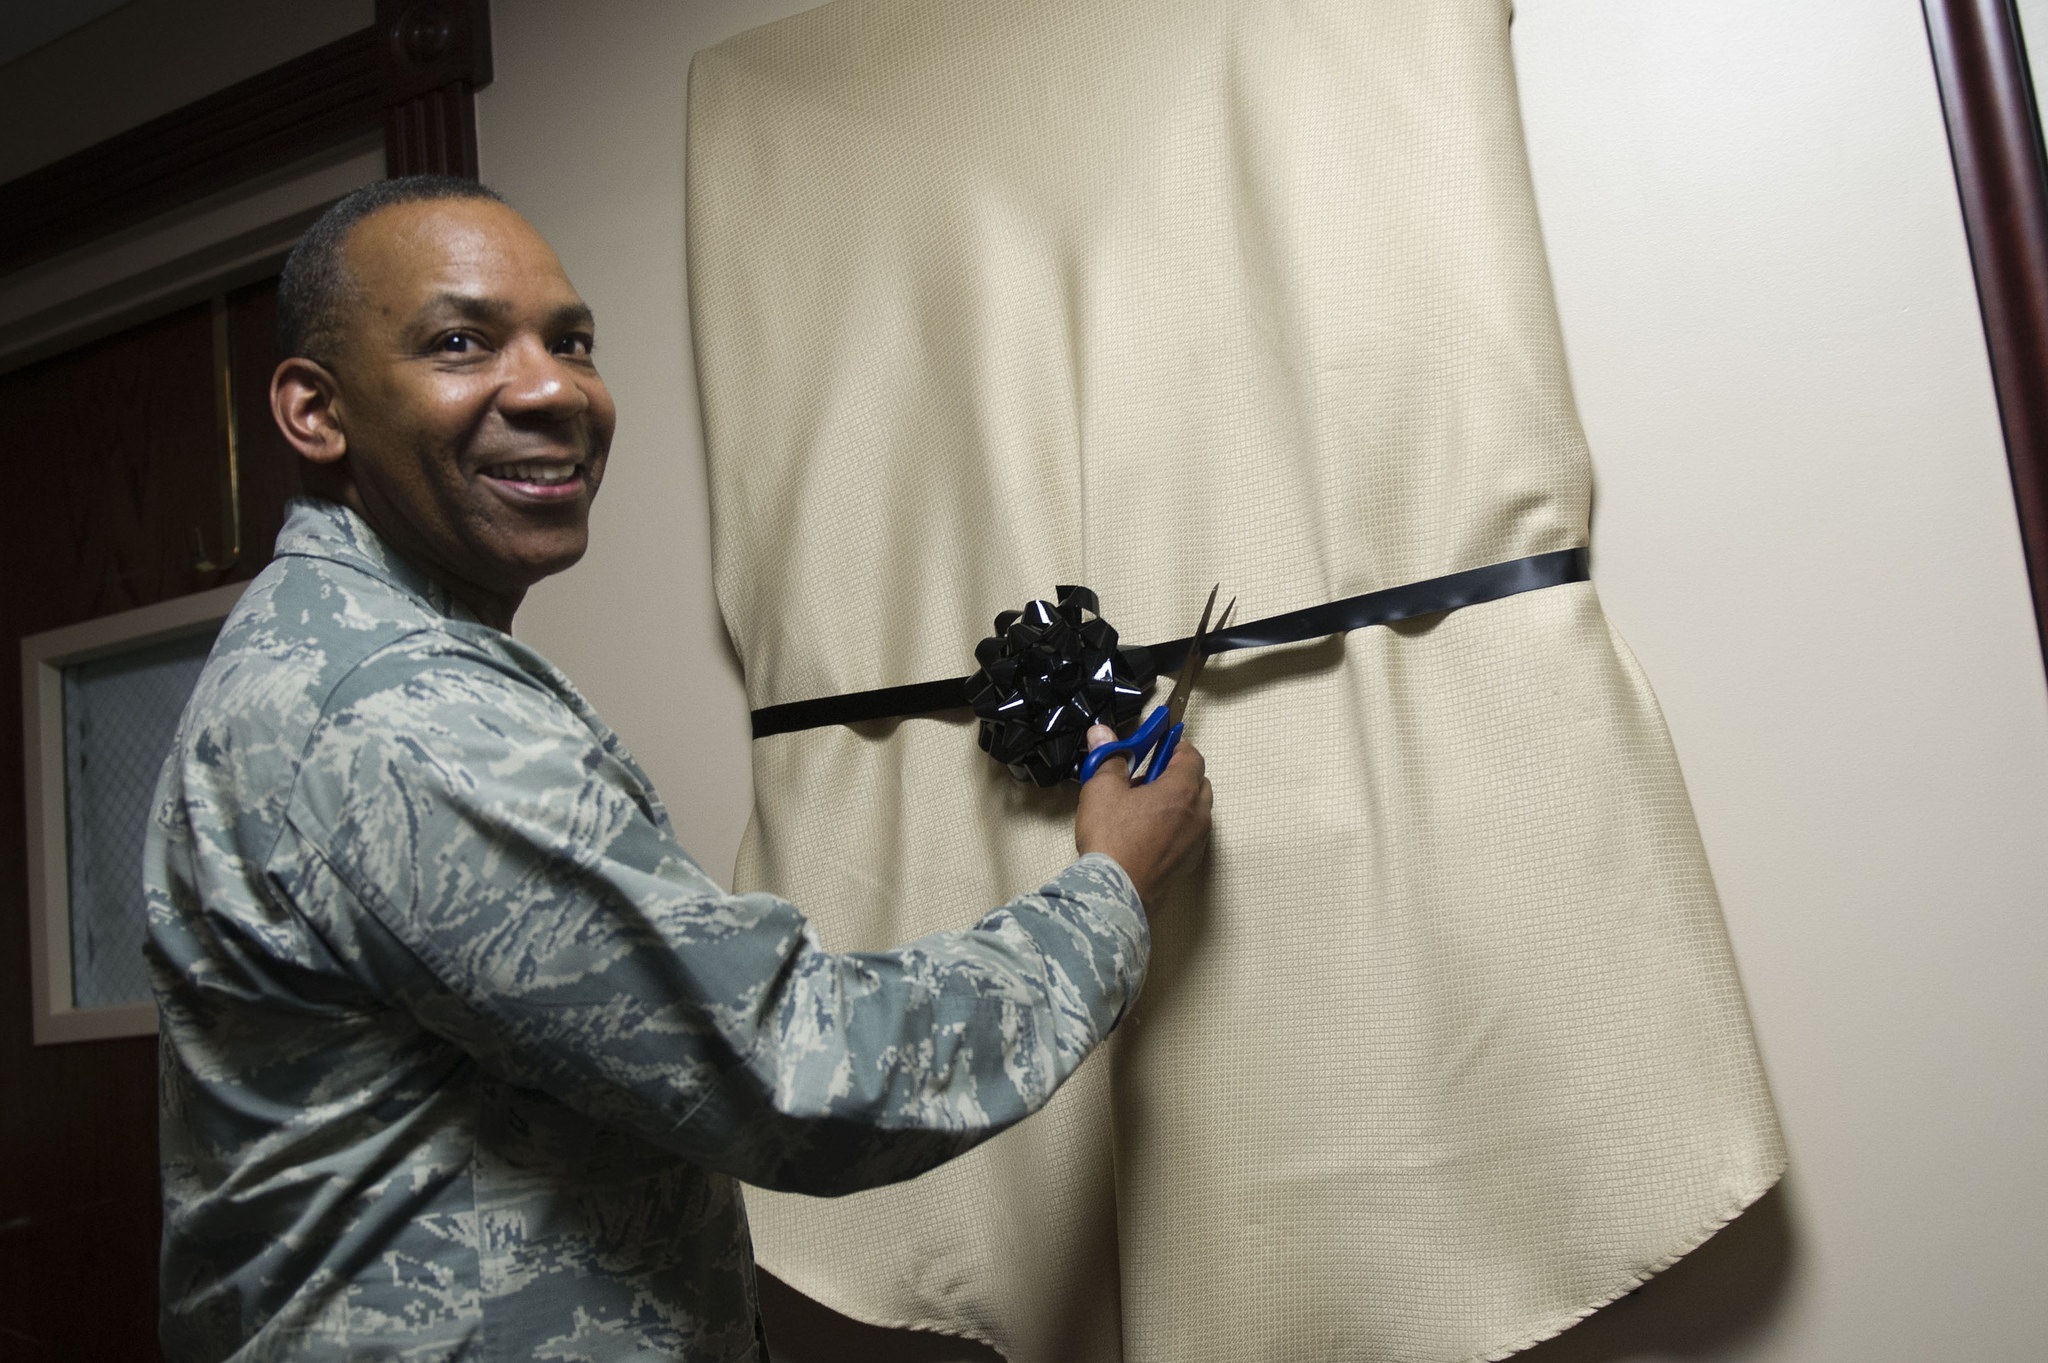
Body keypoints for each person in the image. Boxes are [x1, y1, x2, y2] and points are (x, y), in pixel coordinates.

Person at [144, 175, 1212, 1363]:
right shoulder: (399, 712)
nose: (554, 389)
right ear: (316, 411)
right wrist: (1109, 890)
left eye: (572, 340)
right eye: (461, 343)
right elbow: (794, 1071)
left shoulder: (339, 651)